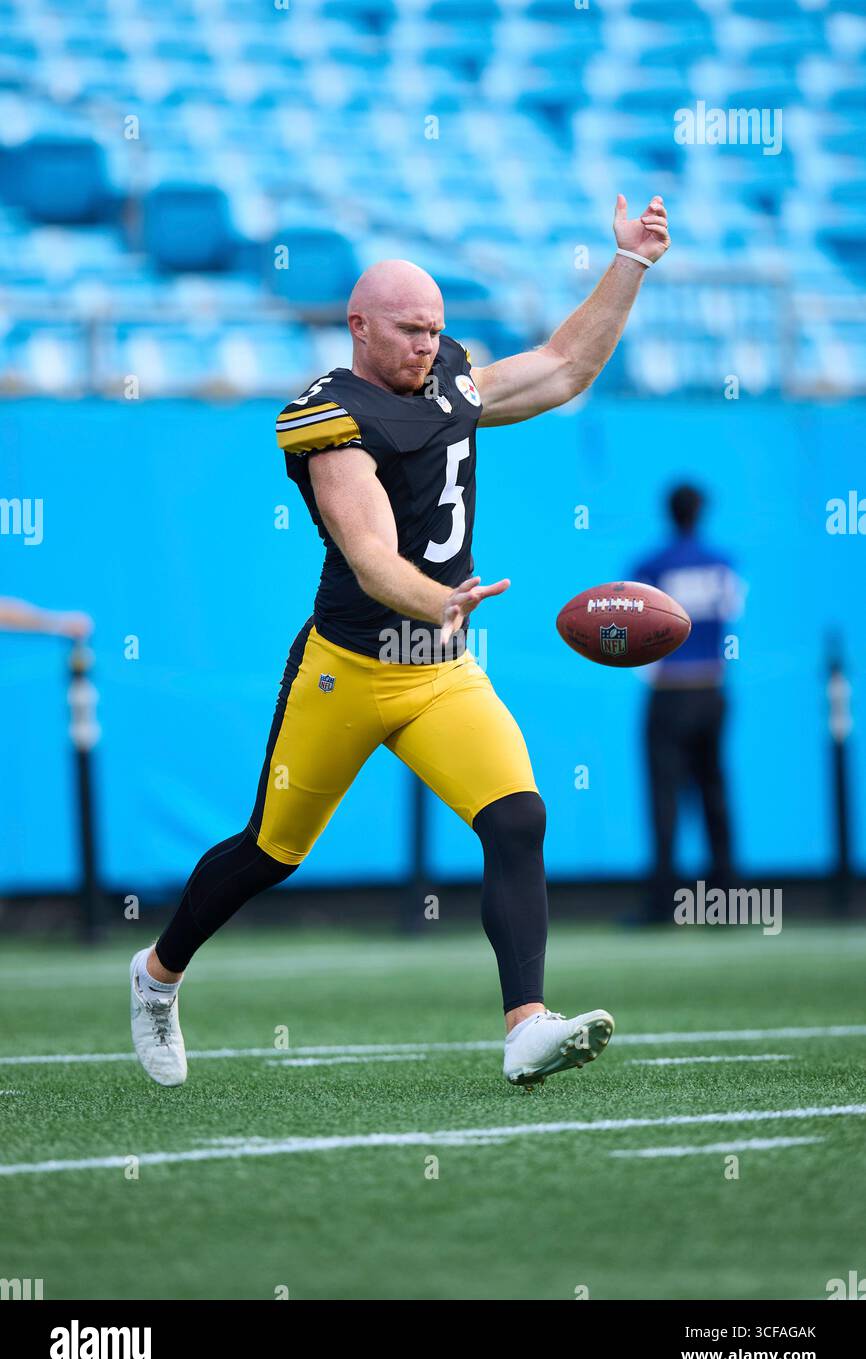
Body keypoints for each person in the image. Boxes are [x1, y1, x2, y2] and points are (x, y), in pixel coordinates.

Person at [130, 194, 671, 1089]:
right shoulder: (329, 415)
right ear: (359, 328)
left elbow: (563, 368)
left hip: (441, 672)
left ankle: (525, 1027)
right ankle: (157, 975)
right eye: (412, 331)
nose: (429, 344)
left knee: (518, 817)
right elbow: (373, 557)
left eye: (436, 329)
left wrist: (633, 264)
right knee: (269, 851)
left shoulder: (450, 374)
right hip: (347, 672)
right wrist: (440, 601)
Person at [632, 484, 741, 922]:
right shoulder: (722, 565)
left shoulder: (652, 567)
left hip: (670, 692)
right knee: (714, 790)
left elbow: (631, 629)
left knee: (664, 796)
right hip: (712, 690)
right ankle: (727, 899)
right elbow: (731, 617)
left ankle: (664, 903)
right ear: (701, 512)